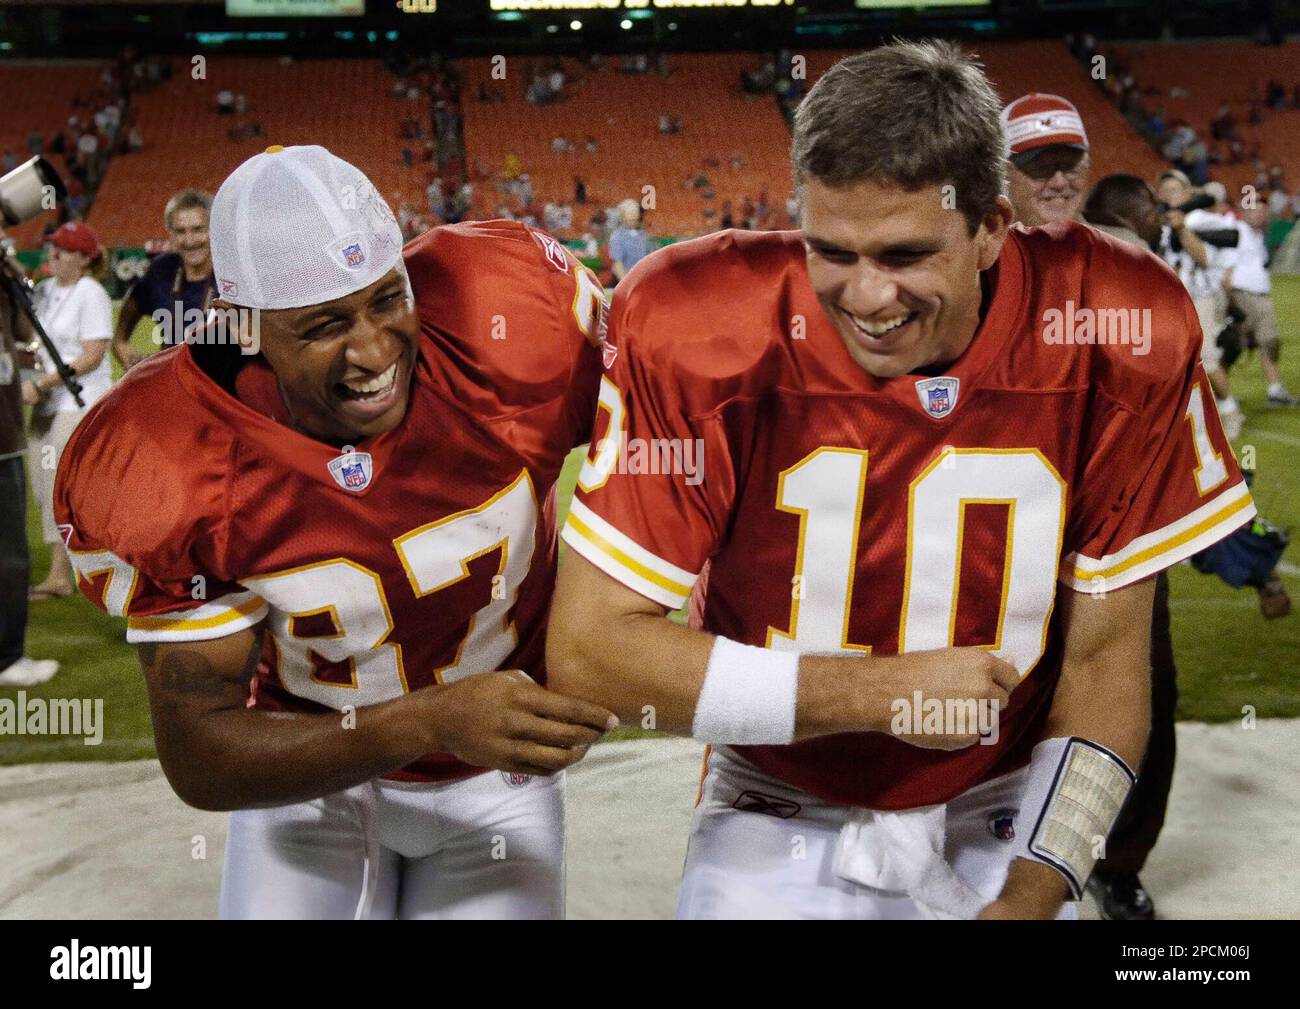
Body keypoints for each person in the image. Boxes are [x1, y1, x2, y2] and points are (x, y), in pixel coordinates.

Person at [546, 41, 1255, 920]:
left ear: (993, 225)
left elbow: (1107, 666)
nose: (868, 296)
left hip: (1006, 795)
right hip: (778, 788)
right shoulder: (701, 319)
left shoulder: (1117, 324)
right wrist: (880, 691)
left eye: (906, 253)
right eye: (832, 250)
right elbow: (588, 652)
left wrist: (1038, 887)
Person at [55, 145, 616, 919]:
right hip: (308, 777)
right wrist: (433, 718)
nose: (375, 350)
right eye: (323, 325)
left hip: (498, 781)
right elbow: (201, 754)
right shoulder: (170, 452)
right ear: (242, 325)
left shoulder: (506, 313)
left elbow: (671, 446)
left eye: (388, 300)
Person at [25, 222, 112, 604]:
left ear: (84, 258)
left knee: (56, 486)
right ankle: (81, 564)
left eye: (62, 250)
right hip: (44, 402)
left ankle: (61, 574)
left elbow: (92, 356)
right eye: (52, 248)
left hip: (77, 402)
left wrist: (42, 384)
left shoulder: (90, 292)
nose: (53, 255)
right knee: (43, 489)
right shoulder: (44, 291)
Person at [0, 233, 59, 686]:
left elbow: (24, 333)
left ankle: (8, 655)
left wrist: (12, 275)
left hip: (6, 437)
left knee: (12, 555)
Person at [1156, 170, 1244, 438]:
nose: (1171, 194)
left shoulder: (1203, 219)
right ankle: (1190, 414)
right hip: (1172, 298)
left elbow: (1205, 258)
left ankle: (1230, 409)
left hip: (1201, 294)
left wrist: (1182, 228)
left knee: (1205, 353)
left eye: (1176, 189)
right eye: (1166, 190)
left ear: (1187, 192)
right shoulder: (1159, 223)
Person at [113, 189, 215, 369]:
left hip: (222, 388)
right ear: (170, 233)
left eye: (198, 229)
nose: (189, 241)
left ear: (214, 228)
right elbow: (123, 328)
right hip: (174, 386)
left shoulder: (232, 273)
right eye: (180, 231)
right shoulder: (161, 271)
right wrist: (122, 348)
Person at [1229, 200, 1296, 405]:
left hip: (1261, 294)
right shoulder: (1235, 231)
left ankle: (1275, 390)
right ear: (1243, 213)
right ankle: (1222, 393)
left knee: (1270, 340)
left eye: (1262, 211)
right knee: (1235, 345)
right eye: (1254, 211)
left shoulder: (1258, 234)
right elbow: (1225, 264)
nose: (1259, 215)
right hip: (1241, 294)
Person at [1001, 93, 1090, 227]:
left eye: (1070, 167)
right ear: (1003, 176)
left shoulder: (1119, 246)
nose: (1059, 183)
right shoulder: (974, 247)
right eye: (1041, 169)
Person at [608, 198, 651, 283]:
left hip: (640, 278)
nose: (634, 216)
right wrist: (626, 284)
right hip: (623, 280)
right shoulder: (617, 236)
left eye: (635, 213)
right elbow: (617, 263)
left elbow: (648, 258)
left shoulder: (643, 235)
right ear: (623, 216)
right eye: (630, 214)